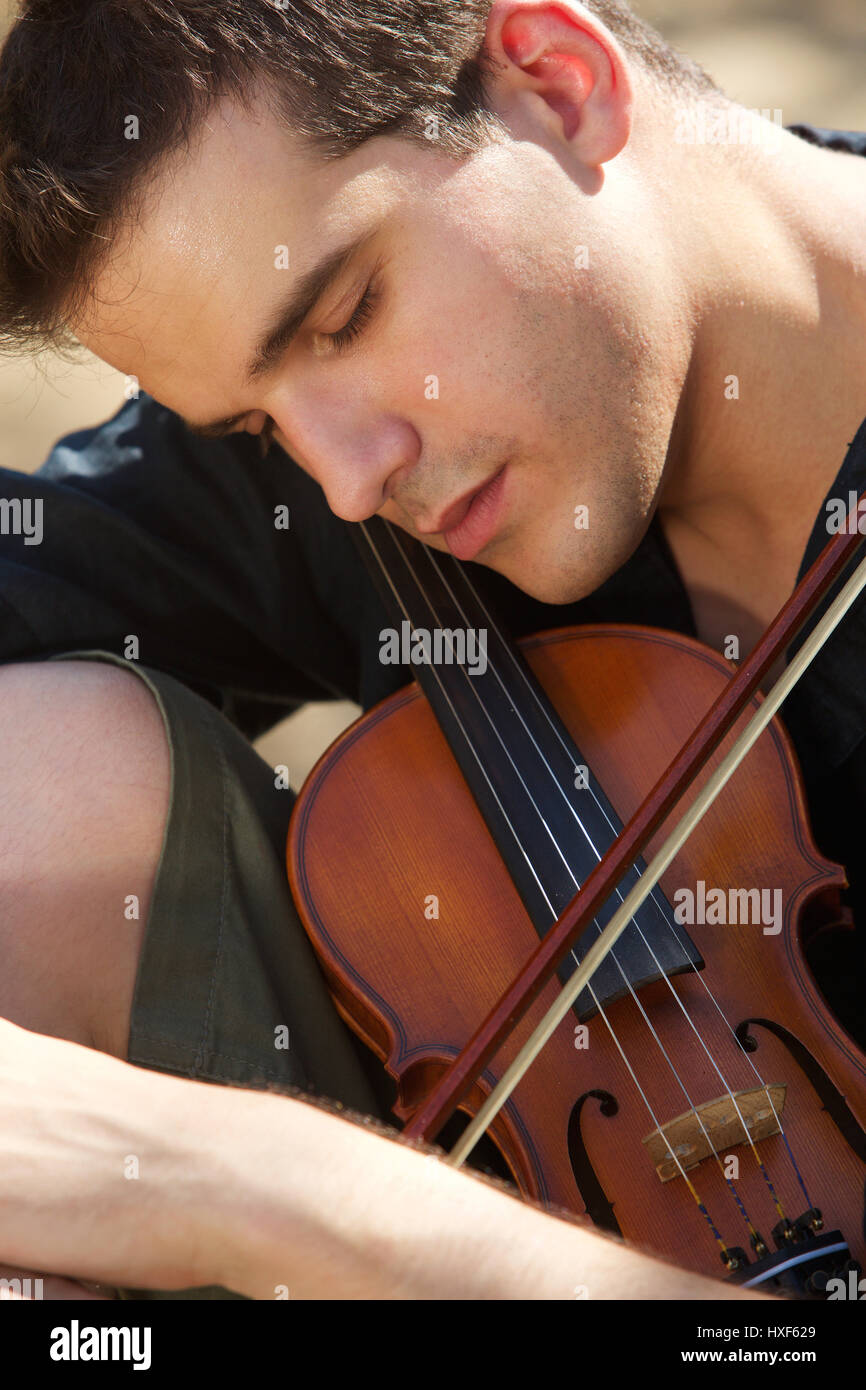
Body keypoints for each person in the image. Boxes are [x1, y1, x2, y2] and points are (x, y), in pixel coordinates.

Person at [0, 0, 864, 1301]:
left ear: (558, 82)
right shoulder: (344, 461)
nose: (344, 481)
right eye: (251, 423)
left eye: (344, 313)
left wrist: (259, 1191)